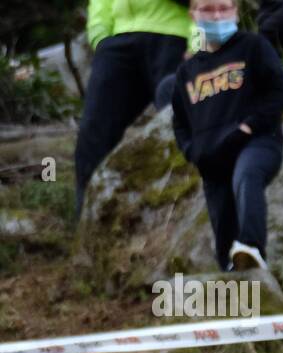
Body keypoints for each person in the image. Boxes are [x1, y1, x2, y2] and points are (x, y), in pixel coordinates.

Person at [171, 0, 283, 271]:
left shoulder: (253, 46)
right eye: (208, 9)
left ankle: (252, 245)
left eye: (224, 8)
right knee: (224, 239)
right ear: (194, 14)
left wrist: (248, 127)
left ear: (236, 11)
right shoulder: (188, 71)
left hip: (258, 142)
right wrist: (193, 151)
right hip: (213, 160)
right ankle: (237, 274)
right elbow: (180, 121)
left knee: (246, 176)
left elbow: (281, 93)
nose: (217, 16)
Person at [76, 0, 194, 216]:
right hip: (117, 41)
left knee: (182, 128)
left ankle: (184, 217)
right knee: (92, 135)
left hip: (176, 35)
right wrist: (101, 37)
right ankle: (86, 227)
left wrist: (199, 43)